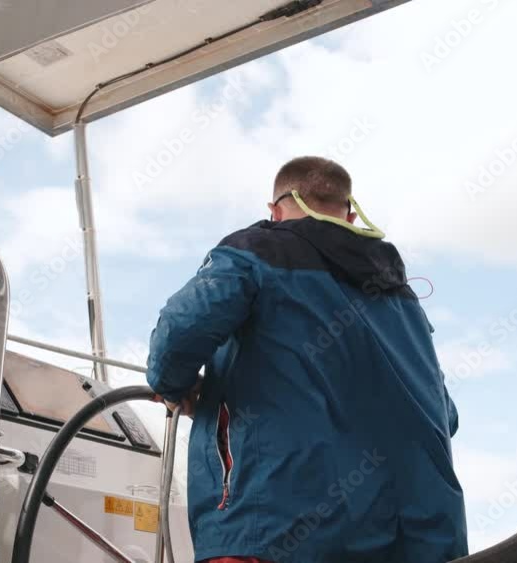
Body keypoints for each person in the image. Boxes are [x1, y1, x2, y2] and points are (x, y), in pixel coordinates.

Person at [145, 156, 468, 563]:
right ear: (350, 215)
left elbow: (181, 331)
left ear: (276, 211)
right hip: (420, 539)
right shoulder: (401, 298)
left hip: (279, 527)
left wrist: (174, 387)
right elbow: (445, 416)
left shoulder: (255, 252)